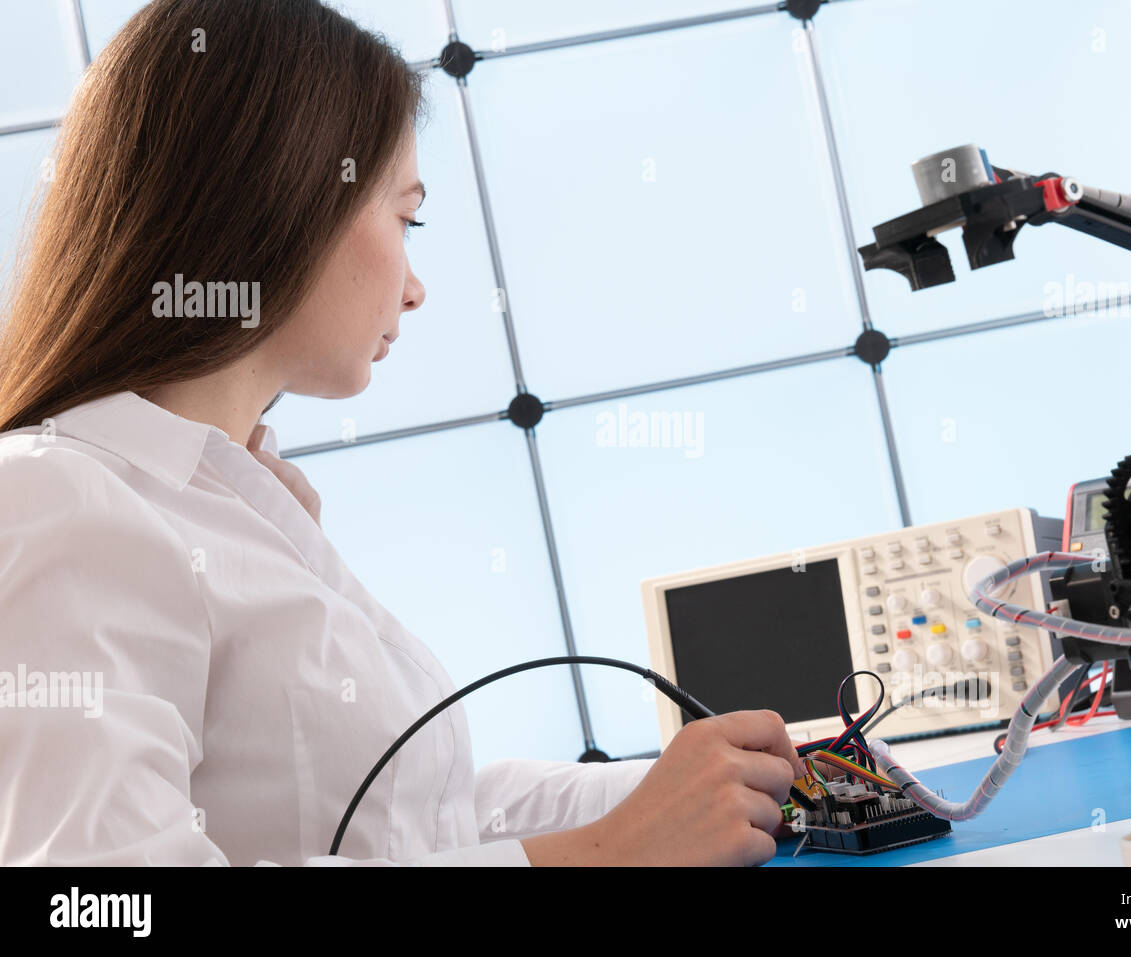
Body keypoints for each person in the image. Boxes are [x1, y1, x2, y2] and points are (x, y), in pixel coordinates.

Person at [0, 0, 798, 866]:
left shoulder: (245, 503)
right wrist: (596, 855)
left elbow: (423, 818)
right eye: (406, 218)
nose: (414, 289)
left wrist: (703, 787)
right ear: (284, 195)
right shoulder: (60, 497)